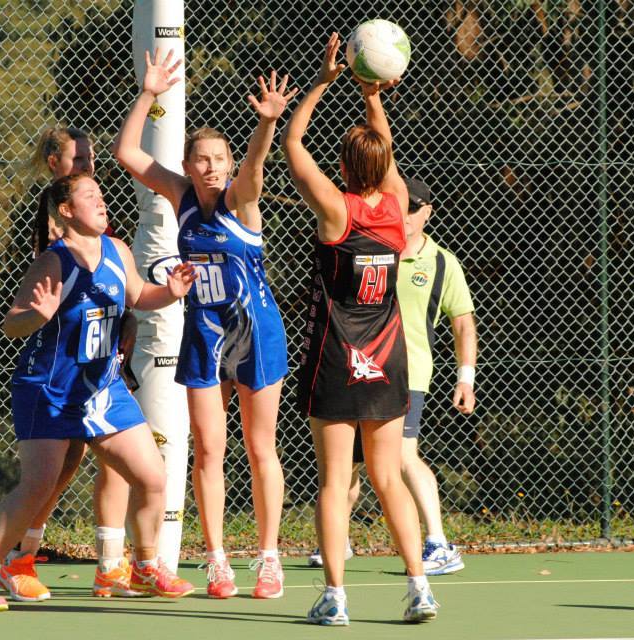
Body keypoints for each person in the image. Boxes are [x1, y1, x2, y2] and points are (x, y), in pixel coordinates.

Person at [0, 174, 196, 612]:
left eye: (101, 194)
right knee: (37, 485)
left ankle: (145, 567)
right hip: (49, 390)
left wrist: (171, 292)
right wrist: (38, 313)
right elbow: (12, 325)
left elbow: (138, 294)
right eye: (90, 196)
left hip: (102, 389)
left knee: (152, 477)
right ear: (66, 210)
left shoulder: (117, 250)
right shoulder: (53, 263)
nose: (102, 202)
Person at [113, 51, 295, 599]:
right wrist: (148, 93)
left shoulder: (242, 200)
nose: (212, 167)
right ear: (189, 166)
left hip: (256, 332)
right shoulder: (181, 196)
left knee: (261, 447)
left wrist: (266, 122)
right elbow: (126, 152)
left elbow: (257, 166)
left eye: (220, 158)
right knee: (209, 450)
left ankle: (268, 556)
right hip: (205, 334)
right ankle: (216, 559)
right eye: (202, 160)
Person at [281, 33, 438, 625]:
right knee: (388, 476)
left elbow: (293, 142)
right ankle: (419, 586)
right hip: (388, 356)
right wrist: (373, 97)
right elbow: (388, 159)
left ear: (344, 166)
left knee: (331, 482)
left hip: (336, 358)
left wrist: (325, 79)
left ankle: (335, 597)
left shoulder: (335, 210)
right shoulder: (398, 210)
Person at [0, 126, 144, 602]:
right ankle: (19, 558)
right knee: (54, 471)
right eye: (77, 158)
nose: (87, 165)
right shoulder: (52, 226)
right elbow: (54, 295)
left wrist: (128, 316)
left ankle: (111, 563)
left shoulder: (98, 222)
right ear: (53, 165)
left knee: (117, 460)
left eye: (90, 157)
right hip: (59, 364)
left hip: (97, 363)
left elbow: (119, 285)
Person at [306, 178, 477, 577]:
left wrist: (464, 378)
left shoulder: (441, 263)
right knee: (345, 464)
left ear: (428, 213)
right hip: (356, 368)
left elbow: (463, 322)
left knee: (401, 455)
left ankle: (437, 543)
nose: (407, 215)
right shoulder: (374, 245)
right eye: (403, 206)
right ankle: (338, 541)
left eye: (416, 209)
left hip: (407, 372)